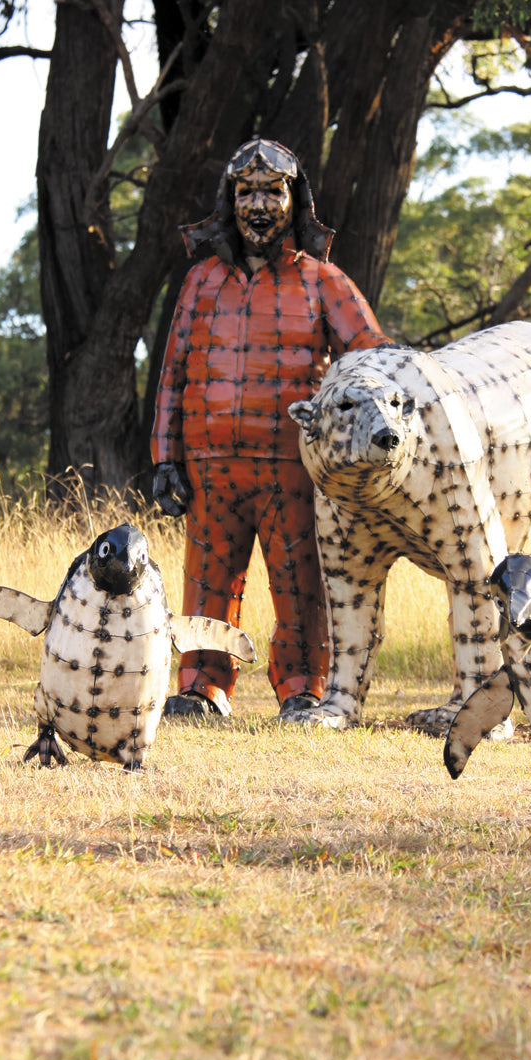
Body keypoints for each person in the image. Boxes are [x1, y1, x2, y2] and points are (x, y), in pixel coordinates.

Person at [150, 138, 391, 722]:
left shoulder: (324, 281)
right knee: (206, 580)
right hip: (209, 467)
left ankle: (304, 689)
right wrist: (164, 458)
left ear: (295, 200)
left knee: (300, 583)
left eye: (272, 192)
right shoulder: (200, 281)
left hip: (294, 467)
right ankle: (202, 687)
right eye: (246, 192)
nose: (258, 205)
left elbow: (375, 363)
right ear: (229, 201)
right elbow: (173, 372)